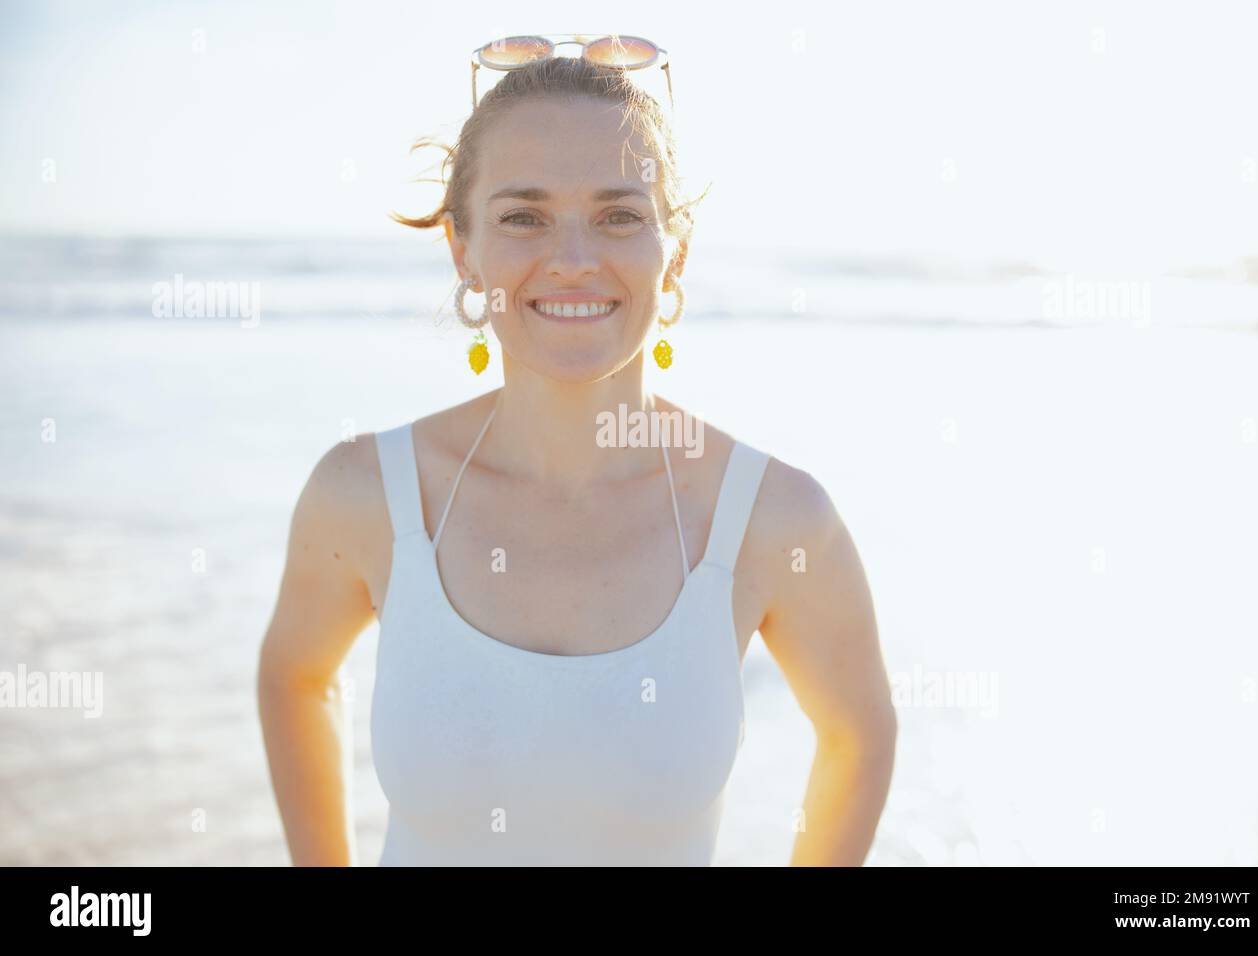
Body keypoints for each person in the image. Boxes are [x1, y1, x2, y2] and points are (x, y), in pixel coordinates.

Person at [257, 53, 894, 866]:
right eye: (524, 216)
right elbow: (294, 678)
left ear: (678, 252)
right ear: (463, 249)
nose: (572, 259)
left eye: (619, 216)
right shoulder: (367, 495)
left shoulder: (772, 516)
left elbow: (859, 731)